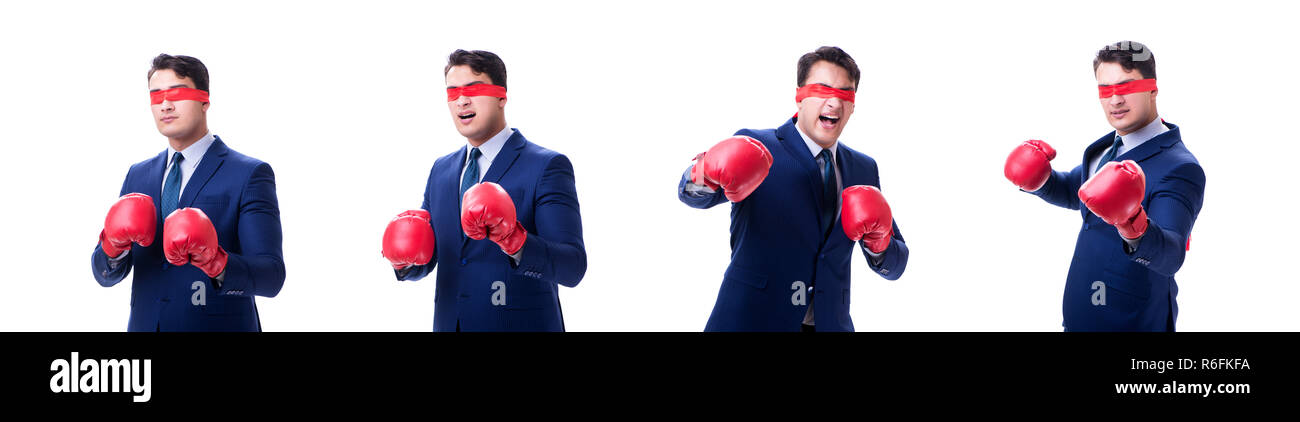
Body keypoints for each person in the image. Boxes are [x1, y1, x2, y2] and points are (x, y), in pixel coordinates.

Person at [677, 46, 909, 332]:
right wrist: (703, 173)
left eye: (844, 94)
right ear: (799, 96)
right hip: (751, 321)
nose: (834, 103)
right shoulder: (757, 146)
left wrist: (880, 245)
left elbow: (895, 265)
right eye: (822, 90)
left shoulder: (864, 168)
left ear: (853, 105)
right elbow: (691, 194)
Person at [1003, 41, 1205, 331]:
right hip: (1080, 316)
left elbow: (1171, 255)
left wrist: (1132, 223)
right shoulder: (1107, 147)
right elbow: (1080, 193)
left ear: (1152, 89)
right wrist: (1041, 180)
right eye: (1105, 90)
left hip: (1131, 323)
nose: (1115, 100)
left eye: (1126, 87)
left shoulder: (1180, 167)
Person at [381, 49, 586, 331]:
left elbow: (572, 267)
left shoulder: (547, 166)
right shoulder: (441, 171)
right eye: (452, 93)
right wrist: (405, 262)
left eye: (473, 89)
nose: (462, 100)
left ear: (501, 96)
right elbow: (435, 256)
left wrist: (516, 241)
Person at [91, 54, 286, 331]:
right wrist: (112, 248)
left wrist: (216, 262)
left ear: (204, 100)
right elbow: (104, 274)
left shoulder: (249, 173)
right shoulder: (138, 174)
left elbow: (271, 276)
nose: (166, 105)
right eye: (156, 97)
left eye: (177, 94)